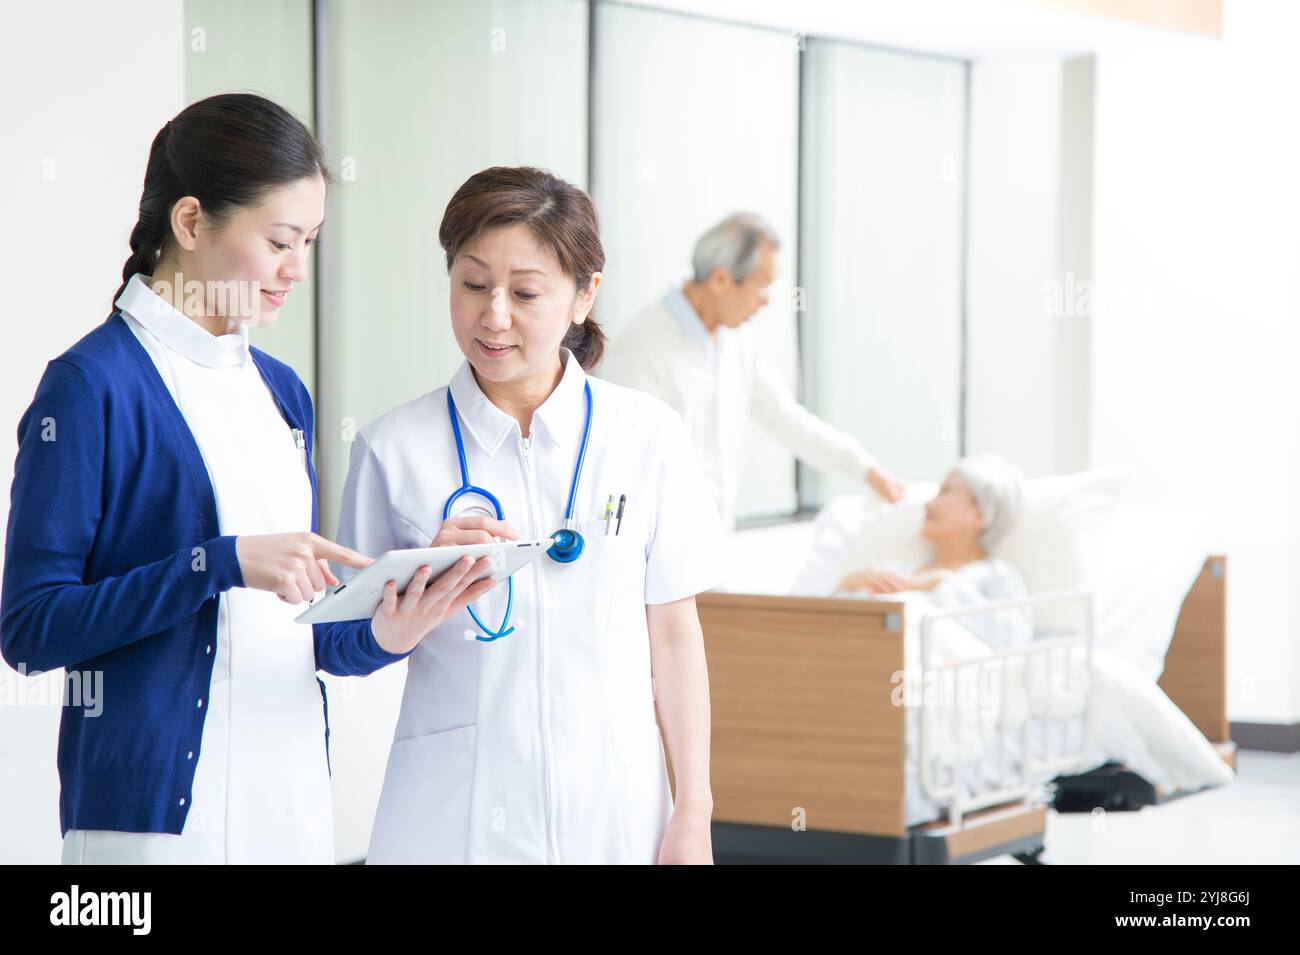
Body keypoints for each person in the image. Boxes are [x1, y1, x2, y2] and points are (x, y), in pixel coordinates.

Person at [0, 94, 487, 864]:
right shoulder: (91, 388)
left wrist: (396, 618)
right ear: (191, 223)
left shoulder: (282, 391)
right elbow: (30, 631)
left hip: (291, 808)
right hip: (153, 829)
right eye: (280, 240)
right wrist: (216, 563)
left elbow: (306, 638)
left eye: (310, 242)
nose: (296, 270)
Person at [332, 166, 725, 864]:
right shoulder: (394, 449)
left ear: (584, 295)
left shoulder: (646, 436)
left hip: (616, 806)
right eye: (473, 284)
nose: (494, 315)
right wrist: (411, 608)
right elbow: (340, 643)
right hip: (453, 812)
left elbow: (673, 634)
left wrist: (693, 808)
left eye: (526, 292)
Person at [602, 212, 904, 529]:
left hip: (711, 538)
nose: (766, 301)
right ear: (720, 280)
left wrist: (866, 468)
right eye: (762, 286)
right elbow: (623, 464)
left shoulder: (735, 341)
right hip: (658, 544)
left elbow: (787, 419)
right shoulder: (642, 348)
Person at [834, 454, 1031, 649]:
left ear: (980, 513)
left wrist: (942, 582)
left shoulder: (997, 575)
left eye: (945, 492)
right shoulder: (897, 571)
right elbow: (828, 631)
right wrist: (848, 584)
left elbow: (1013, 641)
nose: (928, 504)